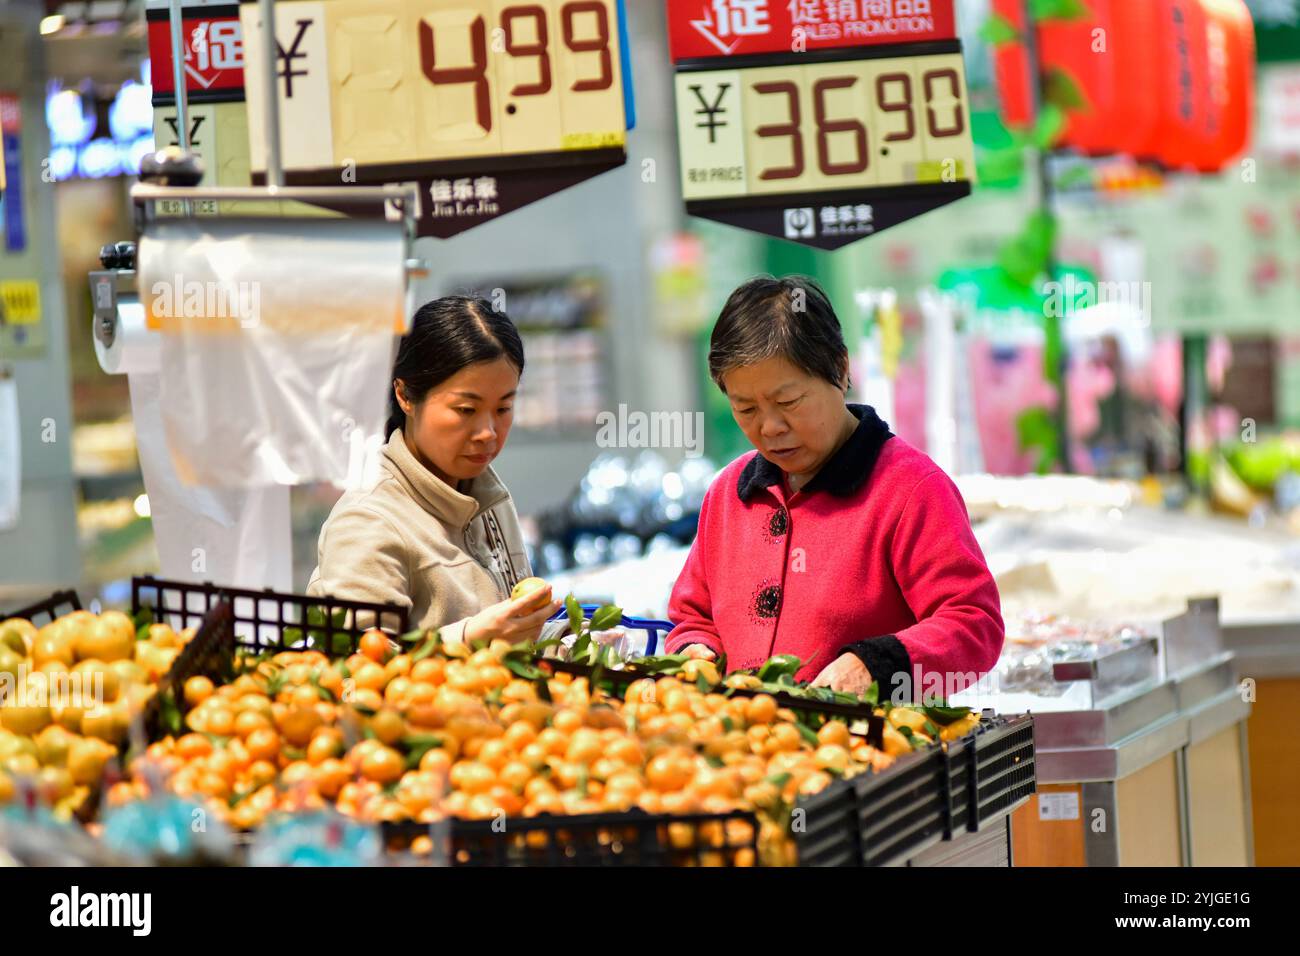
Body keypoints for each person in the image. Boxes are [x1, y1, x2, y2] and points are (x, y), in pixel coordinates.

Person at [664, 276, 1003, 701]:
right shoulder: (728, 494)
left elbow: (973, 622)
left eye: (788, 402)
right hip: (744, 753)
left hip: (877, 753)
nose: (769, 427)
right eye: (745, 408)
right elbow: (693, 616)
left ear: (840, 370)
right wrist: (696, 651)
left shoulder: (910, 489)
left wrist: (876, 664)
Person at [308, 296, 560, 643]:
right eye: (466, 409)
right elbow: (358, 668)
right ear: (406, 395)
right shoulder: (368, 520)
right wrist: (473, 637)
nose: (488, 432)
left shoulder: (486, 495)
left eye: (503, 409)